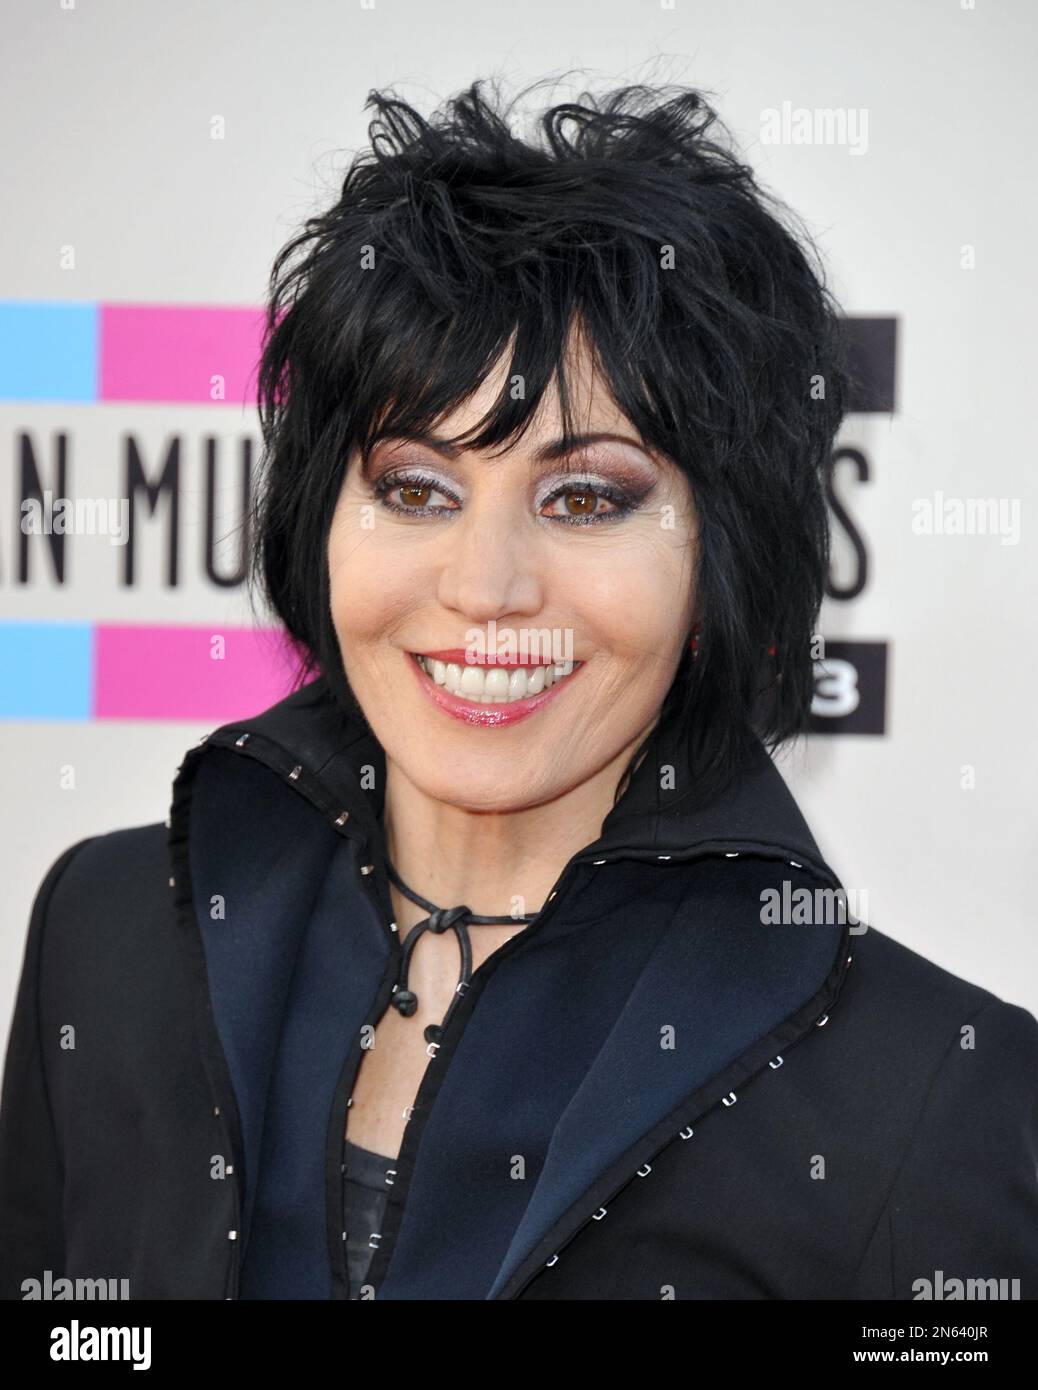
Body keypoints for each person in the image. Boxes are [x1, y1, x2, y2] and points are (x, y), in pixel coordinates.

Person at [2, 77, 1036, 1302]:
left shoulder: (936, 1097)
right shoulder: (108, 933)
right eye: (417, 488)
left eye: (586, 497)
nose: (485, 586)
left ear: (724, 553)